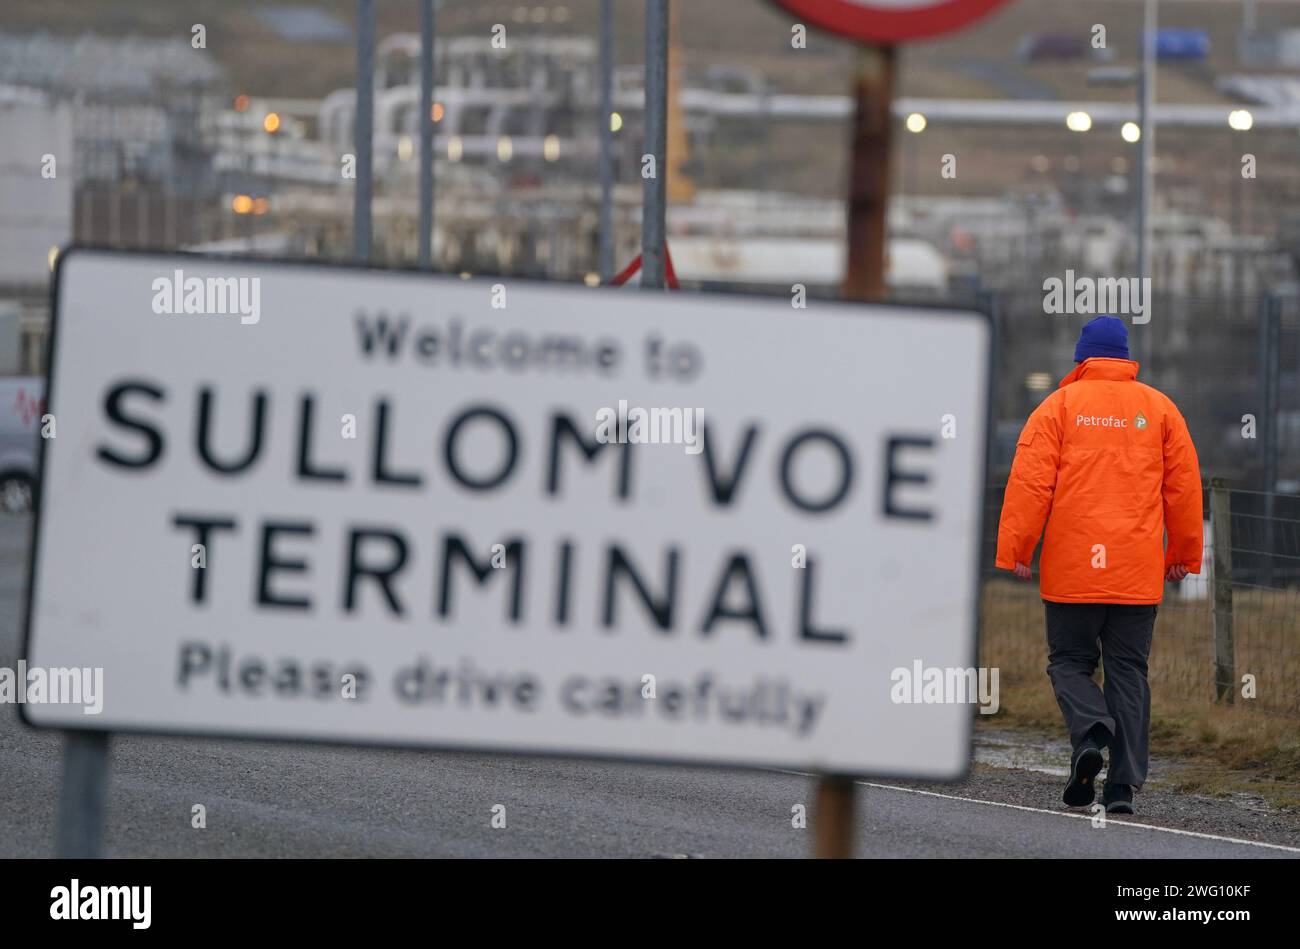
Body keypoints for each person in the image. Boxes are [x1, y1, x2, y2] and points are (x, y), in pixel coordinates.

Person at [996, 316, 1203, 815]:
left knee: (1069, 663)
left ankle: (1090, 734)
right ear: (1126, 357)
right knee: (1129, 672)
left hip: (1073, 572)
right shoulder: (1159, 410)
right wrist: (1182, 555)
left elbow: (1030, 483)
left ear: (1081, 359)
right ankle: (1121, 788)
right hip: (1135, 573)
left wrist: (1017, 549)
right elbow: (1184, 487)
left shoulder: (1057, 408)